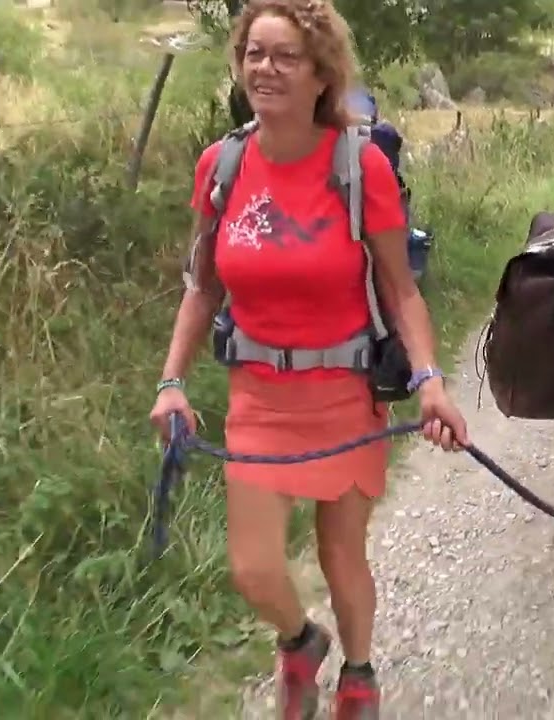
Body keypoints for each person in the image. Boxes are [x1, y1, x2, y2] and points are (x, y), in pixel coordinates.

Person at [147, 0, 468, 717]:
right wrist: (172, 380)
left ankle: (358, 671)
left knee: (341, 555)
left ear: (322, 74)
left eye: (285, 55)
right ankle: (299, 641)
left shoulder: (361, 167)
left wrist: (430, 383)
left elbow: (401, 289)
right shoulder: (221, 166)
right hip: (257, 395)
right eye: (254, 53)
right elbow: (203, 287)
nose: (265, 68)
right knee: (254, 568)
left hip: (344, 392)